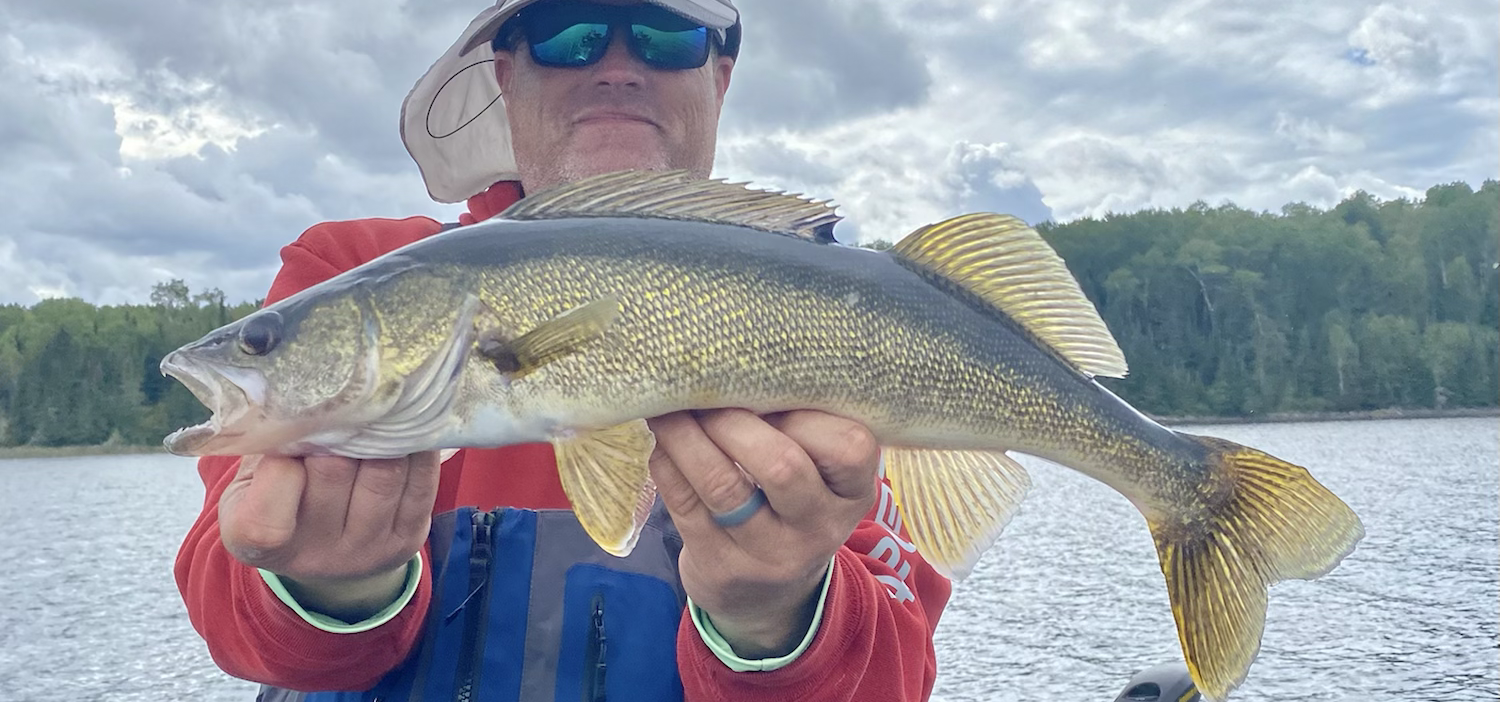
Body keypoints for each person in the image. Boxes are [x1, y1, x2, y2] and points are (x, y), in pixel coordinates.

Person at [174, 1, 953, 700]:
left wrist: (774, 616)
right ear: (506, 78)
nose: (617, 68)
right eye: (567, 35)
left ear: (719, 78)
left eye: (665, 35)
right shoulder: (345, 266)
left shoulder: (841, 306)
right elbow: (234, 615)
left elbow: (892, 677)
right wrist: (334, 590)